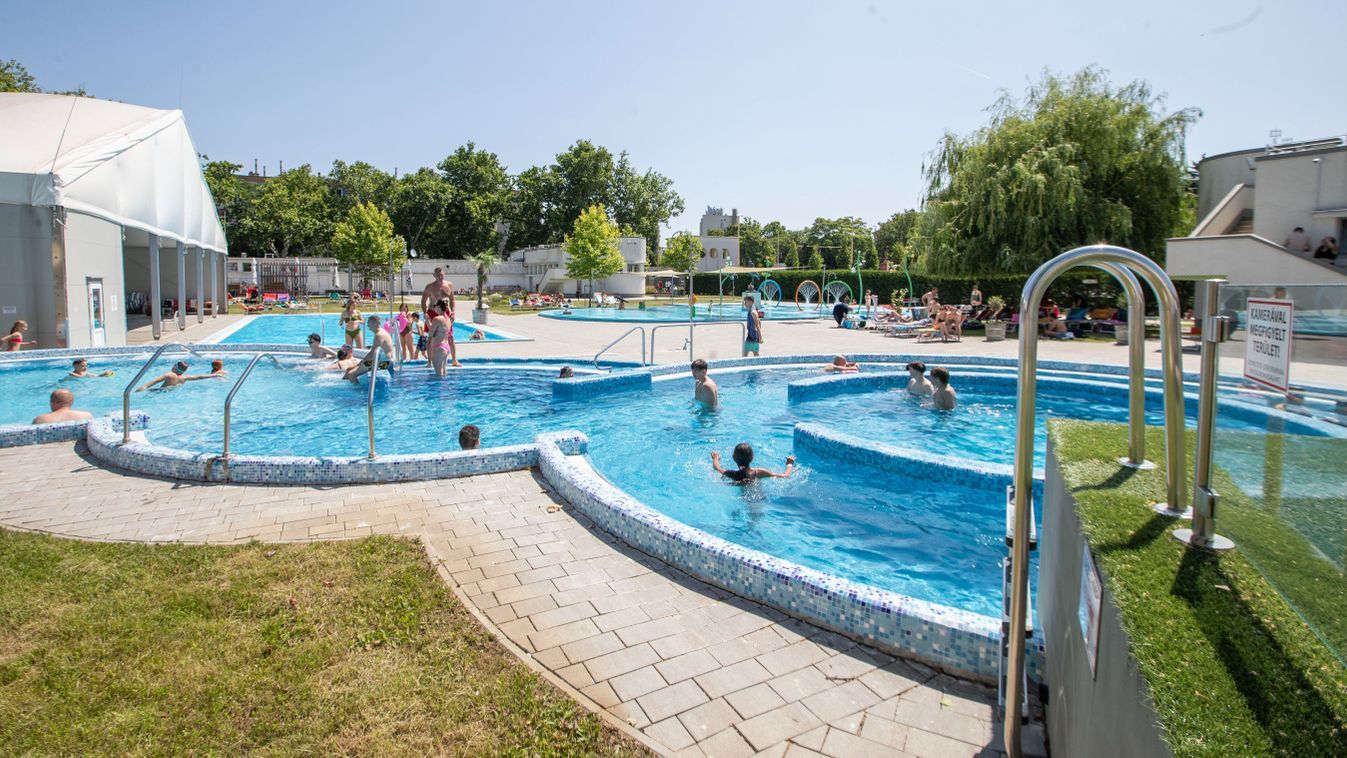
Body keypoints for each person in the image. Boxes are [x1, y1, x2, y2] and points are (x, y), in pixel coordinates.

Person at [345, 315, 397, 383]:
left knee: (351, 374)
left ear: (374, 323)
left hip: (384, 363)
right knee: (349, 369)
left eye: (368, 323)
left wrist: (362, 362)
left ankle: (357, 391)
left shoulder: (379, 335)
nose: (367, 325)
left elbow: (372, 353)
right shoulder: (381, 332)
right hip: (383, 361)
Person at [711, 443, 794, 482]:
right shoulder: (759, 472)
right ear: (752, 458)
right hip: (758, 499)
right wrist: (789, 464)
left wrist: (715, 458)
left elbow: (717, 467)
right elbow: (785, 476)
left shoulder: (732, 474)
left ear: (733, 458)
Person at [427, 298, 462, 376]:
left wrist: (427, 321)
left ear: (439, 307)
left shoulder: (437, 319)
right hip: (446, 347)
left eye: (434, 306)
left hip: (438, 348)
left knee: (438, 376)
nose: (433, 307)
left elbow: (431, 335)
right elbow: (440, 332)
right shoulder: (448, 319)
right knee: (444, 373)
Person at [135, 360, 216, 391]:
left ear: (175, 367)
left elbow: (155, 381)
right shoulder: (184, 377)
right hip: (170, 392)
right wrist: (213, 375)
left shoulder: (169, 374)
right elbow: (199, 377)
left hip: (160, 392)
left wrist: (144, 387)